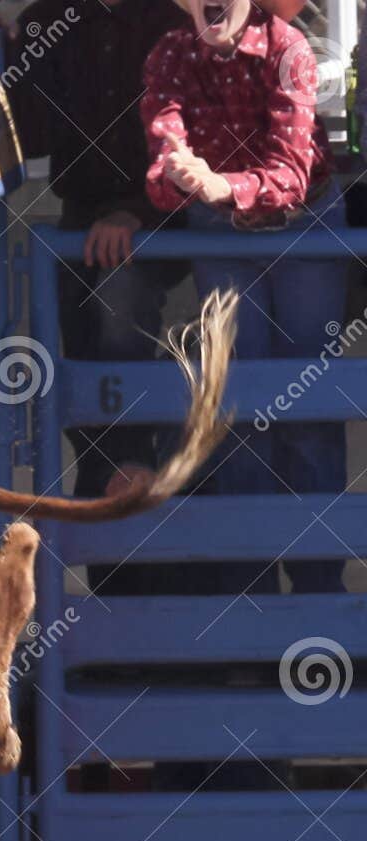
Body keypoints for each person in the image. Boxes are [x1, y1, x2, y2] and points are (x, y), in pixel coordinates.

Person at [142, 0, 345, 592]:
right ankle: (247, 599)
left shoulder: (289, 48)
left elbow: (291, 174)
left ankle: (317, 594)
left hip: (304, 225)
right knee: (234, 407)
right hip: (219, 230)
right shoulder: (168, 56)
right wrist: (178, 175)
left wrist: (212, 182)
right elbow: (163, 175)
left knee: (308, 409)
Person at [3, 0, 187, 593]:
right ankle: (115, 610)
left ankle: (131, 475)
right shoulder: (44, 20)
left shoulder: (172, 21)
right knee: (85, 379)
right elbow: (25, 139)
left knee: (117, 334)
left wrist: (134, 212)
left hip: (162, 218)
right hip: (80, 226)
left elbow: (187, 136)